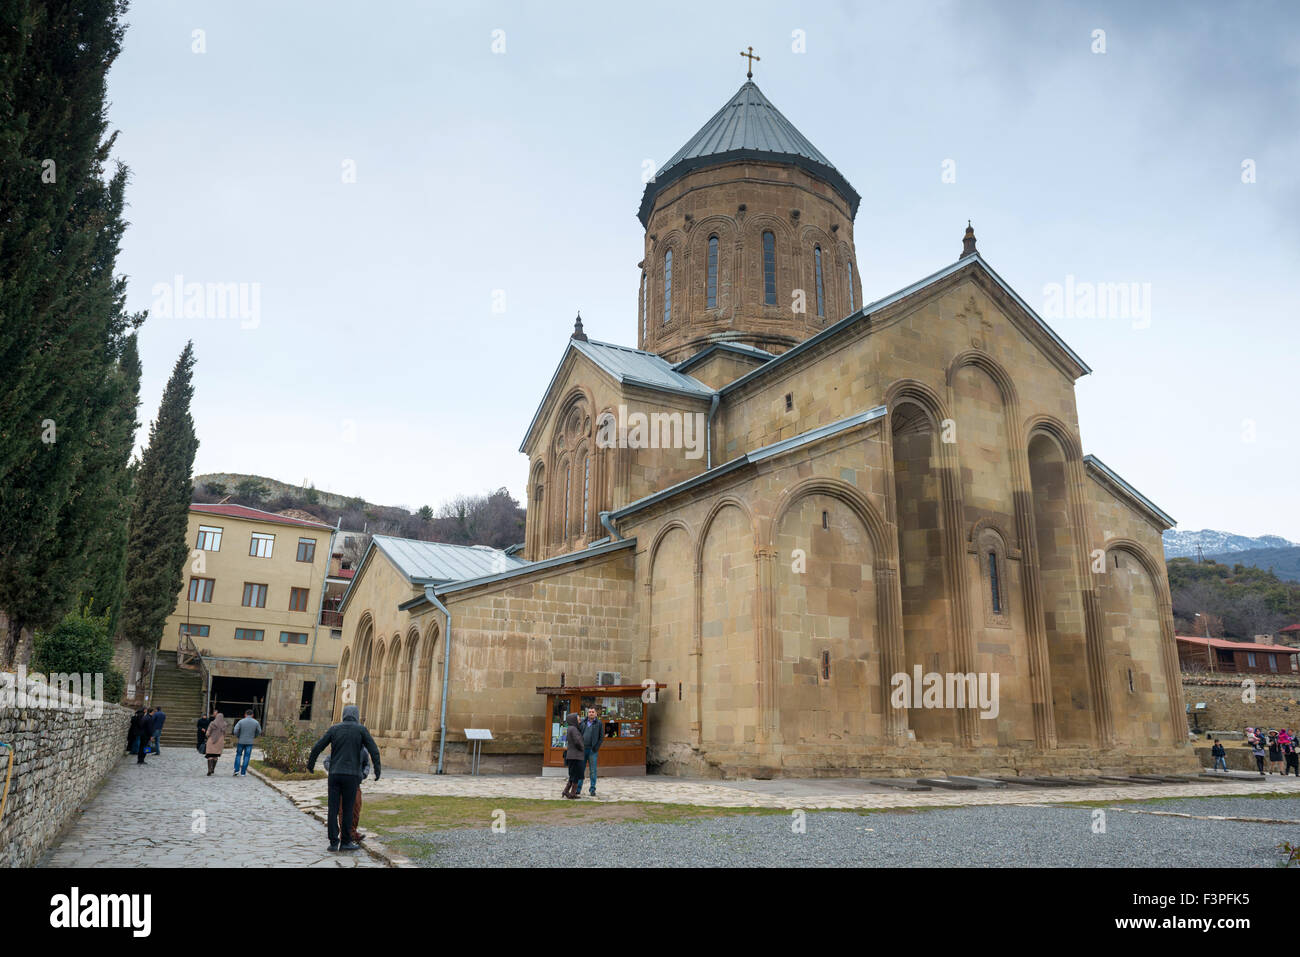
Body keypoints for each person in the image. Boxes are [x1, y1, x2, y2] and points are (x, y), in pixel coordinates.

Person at [307, 704, 381, 852]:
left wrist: (311, 764)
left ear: (344, 714)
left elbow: (317, 747)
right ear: (357, 715)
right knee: (348, 809)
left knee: (333, 809)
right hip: (351, 776)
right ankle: (346, 841)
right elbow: (374, 750)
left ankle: (333, 842)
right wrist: (377, 770)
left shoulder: (334, 729)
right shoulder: (361, 730)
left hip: (335, 774)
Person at [324, 735, 372, 844]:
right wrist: (334, 770)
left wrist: (363, 774)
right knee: (343, 809)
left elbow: (367, 764)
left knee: (356, 807)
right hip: (341, 783)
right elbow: (327, 761)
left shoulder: (363, 750)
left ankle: (352, 831)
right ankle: (345, 834)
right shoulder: (341, 748)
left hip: (355, 783)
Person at [580, 706, 604, 796]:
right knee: (580, 770)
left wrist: (596, 748)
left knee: (593, 771)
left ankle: (592, 789)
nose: (591, 713)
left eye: (592, 712)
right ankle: (578, 789)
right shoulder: (583, 722)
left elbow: (601, 737)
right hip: (583, 750)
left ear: (596, 714)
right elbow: (579, 734)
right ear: (587, 713)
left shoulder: (599, 723)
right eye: (589, 712)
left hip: (592, 750)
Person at [231, 709, 262, 777]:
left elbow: (235, 730)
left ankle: (236, 770)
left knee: (238, 755)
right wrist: (254, 736)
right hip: (250, 741)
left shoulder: (241, 721)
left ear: (245, 714)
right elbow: (259, 731)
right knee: (247, 756)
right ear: (252, 715)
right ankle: (243, 772)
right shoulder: (256, 722)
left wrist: (238, 736)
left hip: (241, 741)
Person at [561, 712, 585, 799]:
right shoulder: (574, 729)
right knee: (576, 775)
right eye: (578, 718)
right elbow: (577, 741)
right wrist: (582, 748)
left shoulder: (570, 728)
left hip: (572, 755)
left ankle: (566, 791)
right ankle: (573, 793)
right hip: (575, 756)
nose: (579, 720)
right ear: (573, 719)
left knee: (573, 775)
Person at [204, 709, 227, 776]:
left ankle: (209, 770)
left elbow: (207, 733)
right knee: (215, 756)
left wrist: (208, 736)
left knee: (210, 756)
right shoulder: (224, 724)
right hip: (220, 741)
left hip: (211, 741)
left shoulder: (212, 723)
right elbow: (225, 733)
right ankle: (213, 769)